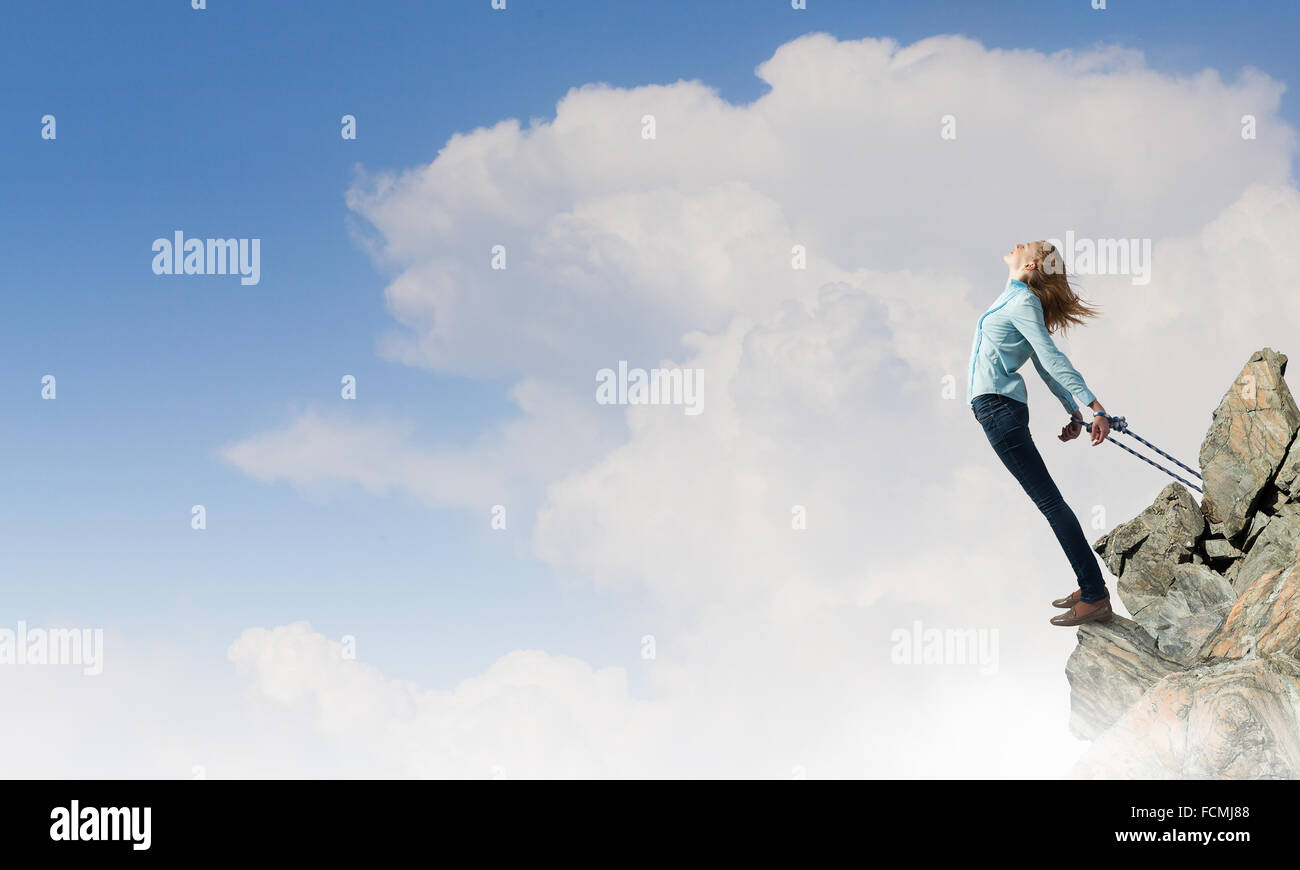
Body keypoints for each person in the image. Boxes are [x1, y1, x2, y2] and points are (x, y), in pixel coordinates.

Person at [967, 241, 1113, 626]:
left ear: (1030, 263)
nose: (1016, 244)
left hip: (999, 409)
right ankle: (1090, 584)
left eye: (1025, 245)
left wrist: (1094, 407)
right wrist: (1073, 410)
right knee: (1050, 502)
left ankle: (1096, 594)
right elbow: (1044, 367)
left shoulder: (1022, 303)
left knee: (1050, 503)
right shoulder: (1011, 299)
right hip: (998, 409)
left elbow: (1052, 358)